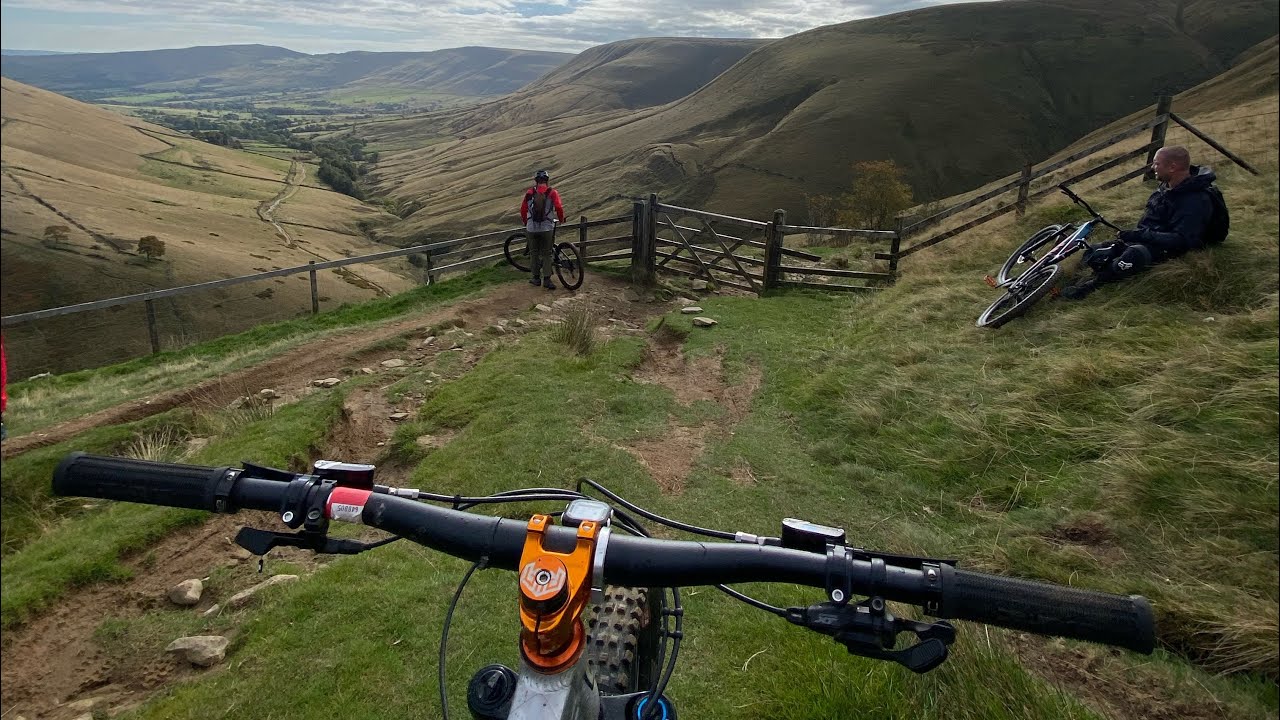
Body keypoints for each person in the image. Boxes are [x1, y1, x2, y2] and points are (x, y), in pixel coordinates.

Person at [1063, 145, 1222, 300]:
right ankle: (1069, 280)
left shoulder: (1196, 200)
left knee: (1133, 256)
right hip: (1150, 237)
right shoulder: (1166, 188)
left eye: (1156, 163)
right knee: (1095, 250)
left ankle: (1092, 285)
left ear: (1172, 167)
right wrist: (1135, 236)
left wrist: (1142, 236)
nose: (1153, 167)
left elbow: (1182, 239)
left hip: (1171, 247)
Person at [519, 170, 566, 290]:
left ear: (536, 181)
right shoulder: (552, 192)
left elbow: (523, 209)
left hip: (531, 228)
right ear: (547, 180)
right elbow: (559, 207)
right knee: (547, 253)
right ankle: (547, 280)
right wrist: (561, 219)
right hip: (546, 227)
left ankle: (535, 278)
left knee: (534, 253)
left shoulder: (529, 192)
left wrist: (526, 222)